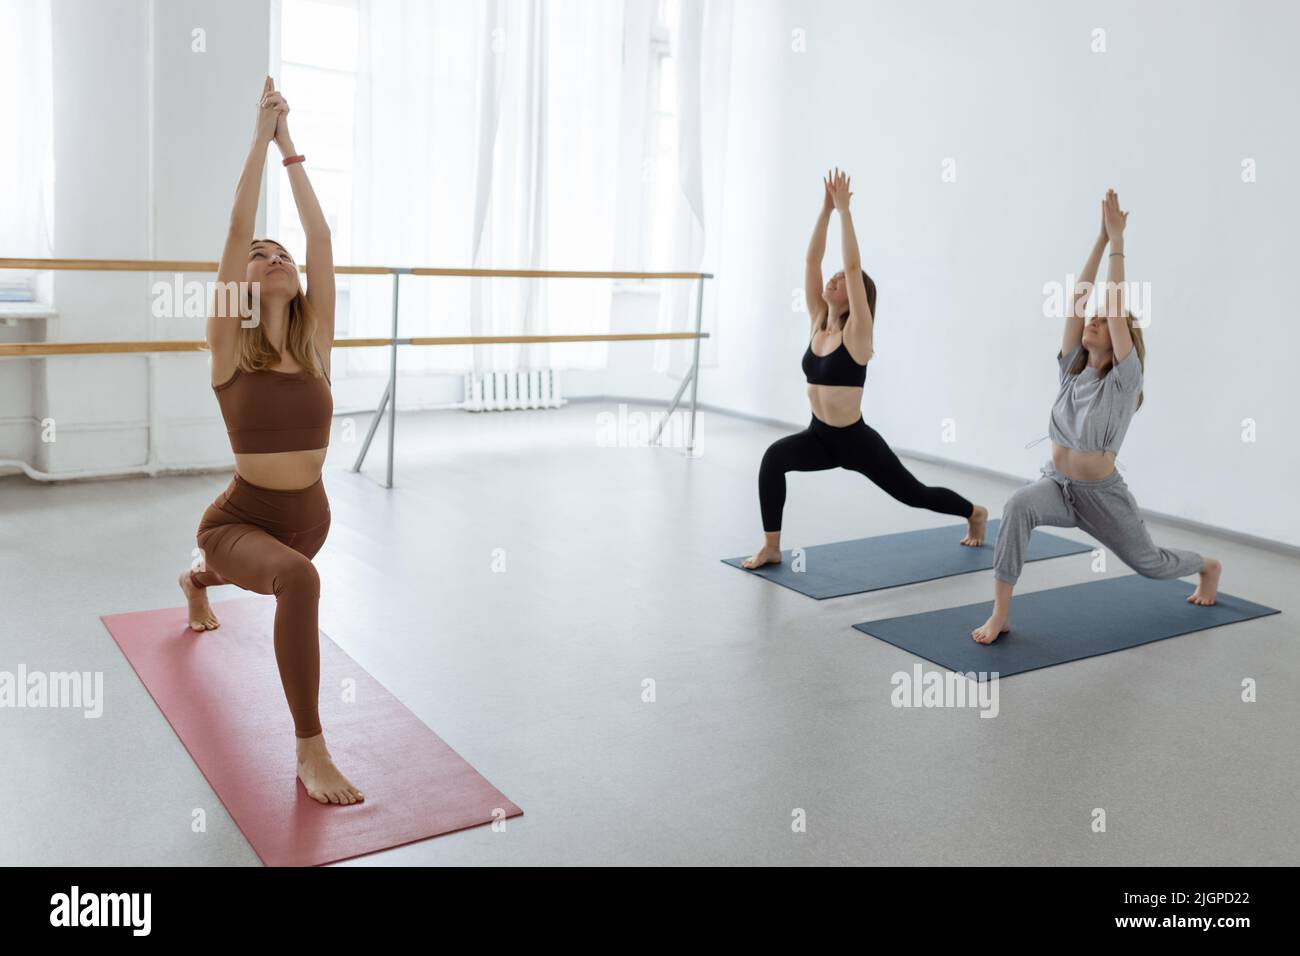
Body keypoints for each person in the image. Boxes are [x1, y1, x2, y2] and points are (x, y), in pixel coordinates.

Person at [177, 77, 363, 804]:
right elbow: (232, 231)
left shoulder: (315, 342)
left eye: (278, 252)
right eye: (261, 255)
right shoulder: (227, 345)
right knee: (295, 579)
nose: (274, 255)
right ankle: (311, 752)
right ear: (242, 285)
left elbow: (319, 238)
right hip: (239, 520)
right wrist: (259, 137)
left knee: (283, 570)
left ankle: (194, 580)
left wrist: (293, 149)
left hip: (308, 520)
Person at [972, 190, 1221, 644]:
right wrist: (1100, 238)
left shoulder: (1124, 381)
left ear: (1120, 336)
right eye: (1095, 318)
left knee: (1150, 564)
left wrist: (1120, 243)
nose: (1093, 321)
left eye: (1104, 322)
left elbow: (1112, 298)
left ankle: (1207, 566)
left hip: (1101, 497)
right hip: (1057, 486)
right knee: (1017, 506)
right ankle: (1001, 614)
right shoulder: (1072, 369)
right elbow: (1077, 301)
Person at [742, 168, 987, 570]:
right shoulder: (819, 320)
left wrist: (844, 212)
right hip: (818, 435)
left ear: (856, 297)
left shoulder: (858, 333)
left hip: (856, 441)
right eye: (833, 278)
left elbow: (854, 268)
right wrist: (824, 211)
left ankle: (973, 512)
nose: (834, 279)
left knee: (915, 494)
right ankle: (771, 546)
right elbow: (811, 260)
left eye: (839, 280)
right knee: (773, 458)